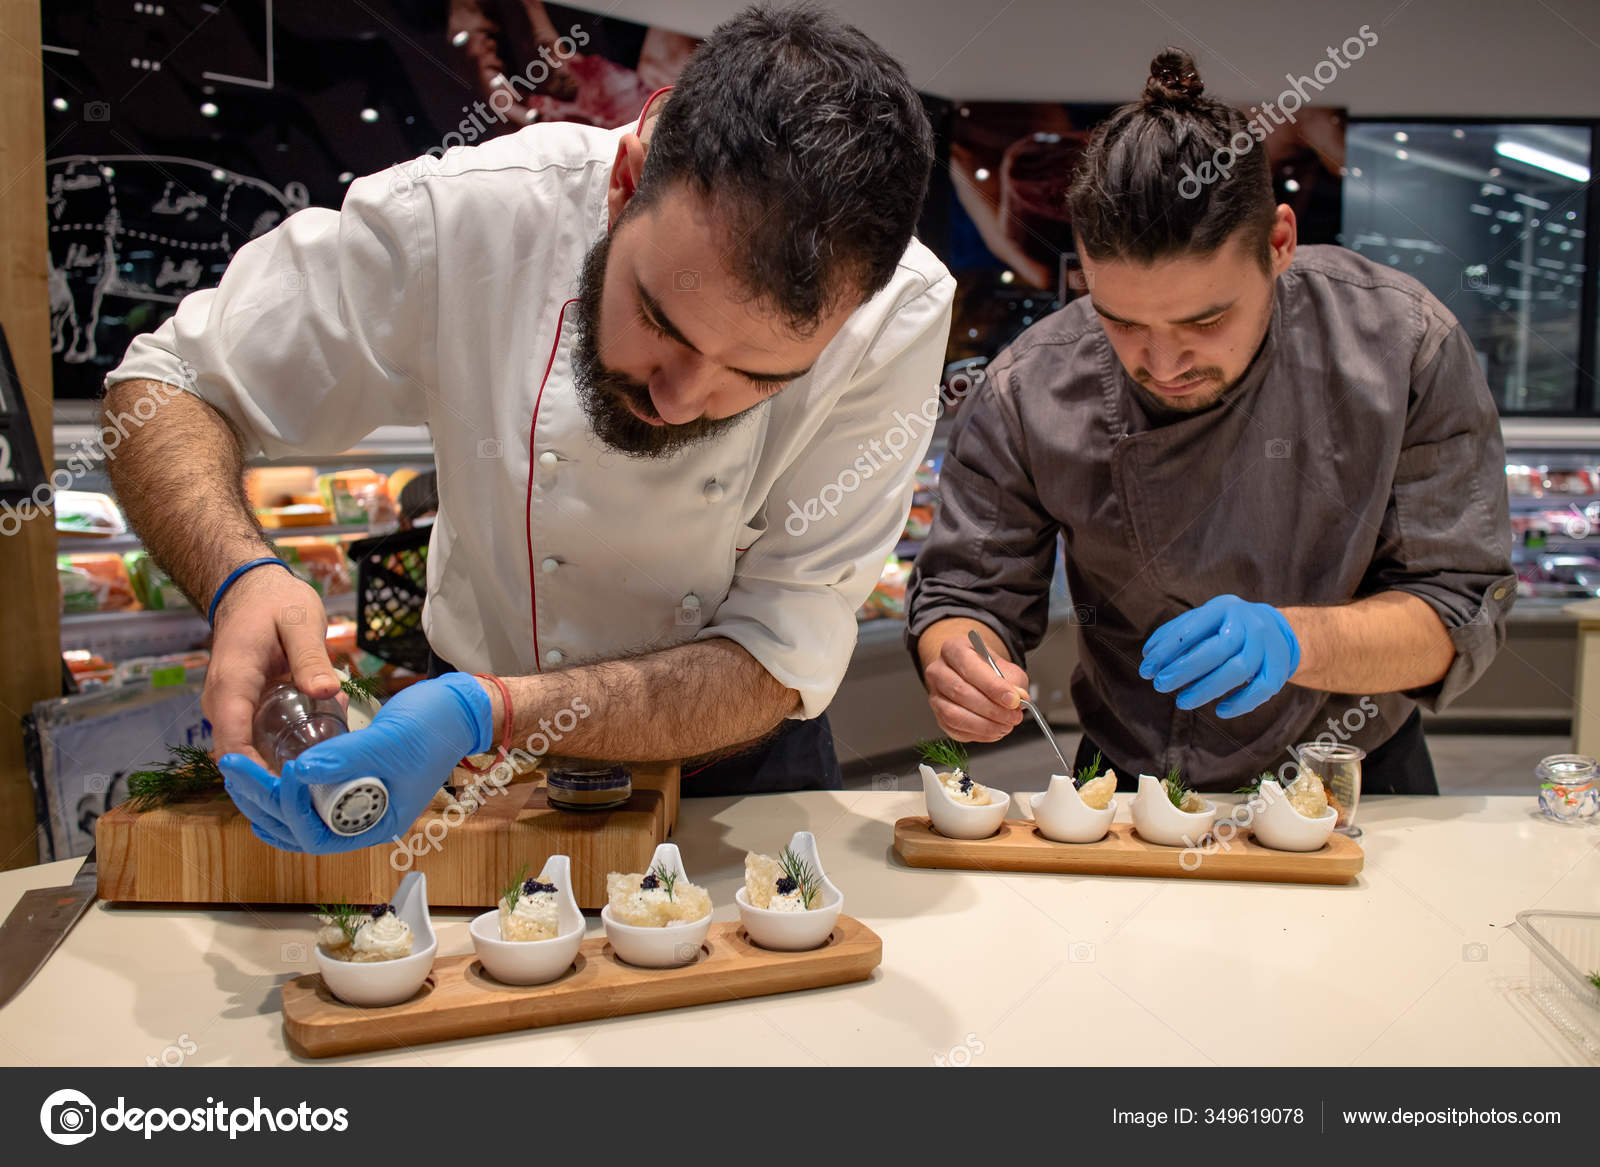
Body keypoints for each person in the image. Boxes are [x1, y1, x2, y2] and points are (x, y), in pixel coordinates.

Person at [101, 4, 953, 852]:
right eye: (661, 321)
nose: (681, 399)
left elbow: (780, 646)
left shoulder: (899, 315)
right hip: (476, 775)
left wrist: (492, 711)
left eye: (761, 376)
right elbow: (167, 381)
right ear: (627, 183)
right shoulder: (471, 216)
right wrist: (241, 575)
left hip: (738, 783)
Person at [905, 48, 1514, 794]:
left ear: (1280, 242)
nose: (1163, 363)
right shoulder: (1027, 387)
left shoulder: (1403, 345)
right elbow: (965, 597)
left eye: (1207, 318)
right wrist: (964, 663)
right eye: (1121, 322)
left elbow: (1455, 609)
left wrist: (1297, 642)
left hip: (1352, 771)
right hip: (1127, 780)